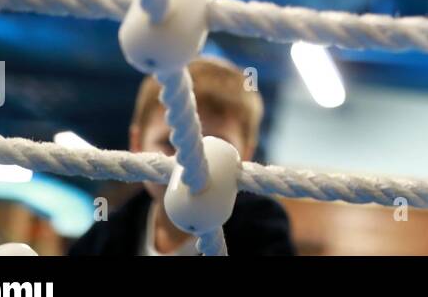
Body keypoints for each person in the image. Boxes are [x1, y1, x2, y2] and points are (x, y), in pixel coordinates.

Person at [69, 56, 294, 256]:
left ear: (245, 155)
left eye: (216, 145)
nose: (191, 163)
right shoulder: (108, 233)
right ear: (138, 144)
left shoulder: (261, 228)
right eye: (170, 143)